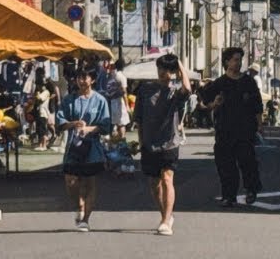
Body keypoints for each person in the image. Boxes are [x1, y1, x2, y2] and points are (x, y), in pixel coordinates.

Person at [134, 53, 193, 236]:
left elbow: (187, 88)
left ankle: (166, 221)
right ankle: (165, 215)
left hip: (169, 142)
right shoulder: (145, 90)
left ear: (173, 72)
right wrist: (142, 141)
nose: (162, 72)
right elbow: (139, 118)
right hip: (150, 143)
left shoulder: (176, 92)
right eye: (160, 68)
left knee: (167, 178)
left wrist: (180, 66)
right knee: (154, 183)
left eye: (167, 69)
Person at [197, 47, 264, 207]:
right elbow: (203, 103)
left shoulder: (248, 82)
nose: (239, 63)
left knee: (248, 162)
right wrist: (214, 104)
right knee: (225, 165)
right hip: (224, 129)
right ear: (227, 61)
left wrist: (260, 125)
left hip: (246, 129)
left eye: (240, 59)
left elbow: (257, 105)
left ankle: (251, 190)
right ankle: (229, 195)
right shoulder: (219, 83)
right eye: (235, 59)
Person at [55, 64, 112, 232]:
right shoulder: (69, 99)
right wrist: (74, 124)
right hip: (74, 146)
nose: (81, 80)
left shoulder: (100, 100)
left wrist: (90, 129)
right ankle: (79, 206)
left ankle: (85, 219)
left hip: (92, 147)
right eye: (79, 77)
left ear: (92, 79)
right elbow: (60, 122)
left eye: (85, 77)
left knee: (90, 182)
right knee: (70, 180)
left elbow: (106, 126)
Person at [103, 59, 131, 141]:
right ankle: (122, 140)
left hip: (112, 101)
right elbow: (124, 92)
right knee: (122, 123)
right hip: (120, 101)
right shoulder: (122, 76)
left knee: (116, 122)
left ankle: (115, 140)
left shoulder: (112, 74)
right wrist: (127, 105)